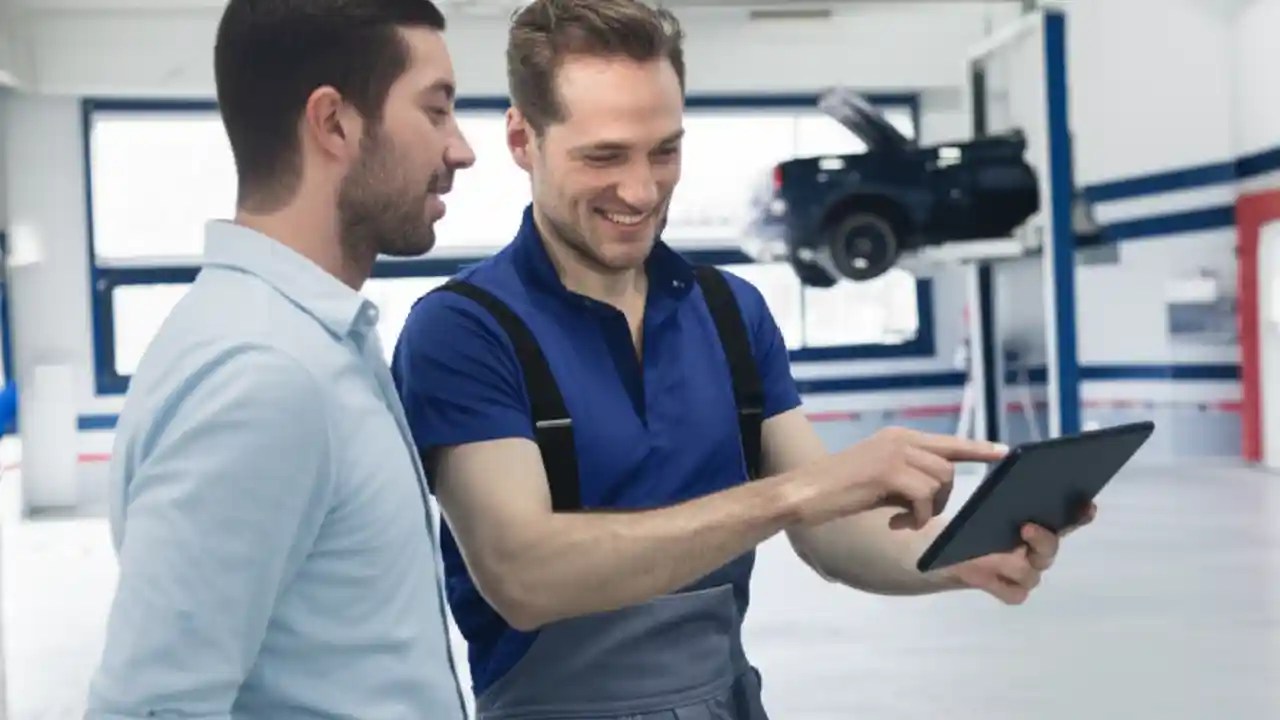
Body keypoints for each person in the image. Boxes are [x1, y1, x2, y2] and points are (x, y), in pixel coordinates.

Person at [391, 0, 1096, 717]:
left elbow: (831, 536)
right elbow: (525, 575)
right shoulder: (462, 333)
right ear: (522, 138)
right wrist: (795, 494)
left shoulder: (730, 314)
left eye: (664, 151)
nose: (641, 191)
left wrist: (958, 555)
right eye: (603, 156)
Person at [85, 1, 475, 718]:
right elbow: (152, 705)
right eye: (436, 112)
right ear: (334, 123)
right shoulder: (265, 375)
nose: (460, 149)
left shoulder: (309, 340)